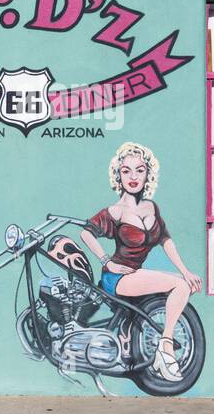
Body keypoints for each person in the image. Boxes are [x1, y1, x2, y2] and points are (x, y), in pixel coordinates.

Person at [79, 141, 202, 382]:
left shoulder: (151, 208)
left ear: (148, 175)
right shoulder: (115, 211)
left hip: (135, 274)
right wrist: (107, 261)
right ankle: (165, 348)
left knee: (183, 283)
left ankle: (154, 343)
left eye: (140, 170)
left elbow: (166, 240)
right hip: (118, 277)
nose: (133, 177)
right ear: (118, 175)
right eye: (126, 171)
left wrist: (185, 271)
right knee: (179, 286)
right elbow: (86, 232)